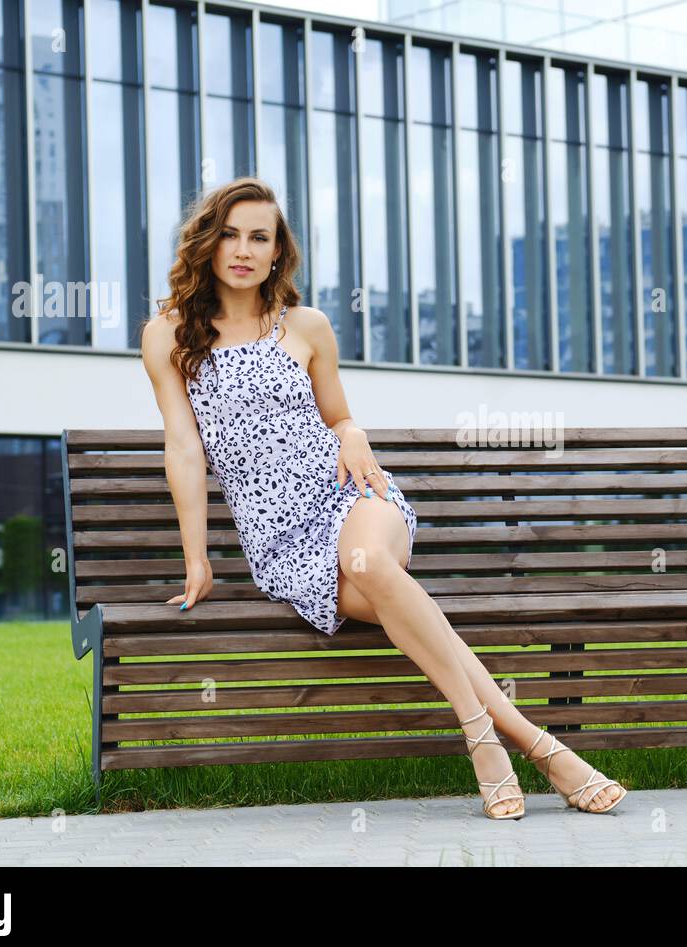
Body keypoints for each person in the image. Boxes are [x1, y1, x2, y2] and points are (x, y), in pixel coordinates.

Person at [138, 176, 626, 819]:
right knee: (389, 591)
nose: (243, 249)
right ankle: (539, 745)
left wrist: (355, 433)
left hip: (351, 496)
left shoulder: (306, 325)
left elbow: (338, 417)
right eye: (230, 234)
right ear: (207, 242)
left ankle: (484, 743)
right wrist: (196, 557)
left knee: (370, 561)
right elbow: (184, 449)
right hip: (281, 540)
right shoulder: (168, 335)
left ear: (278, 251)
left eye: (260, 236)